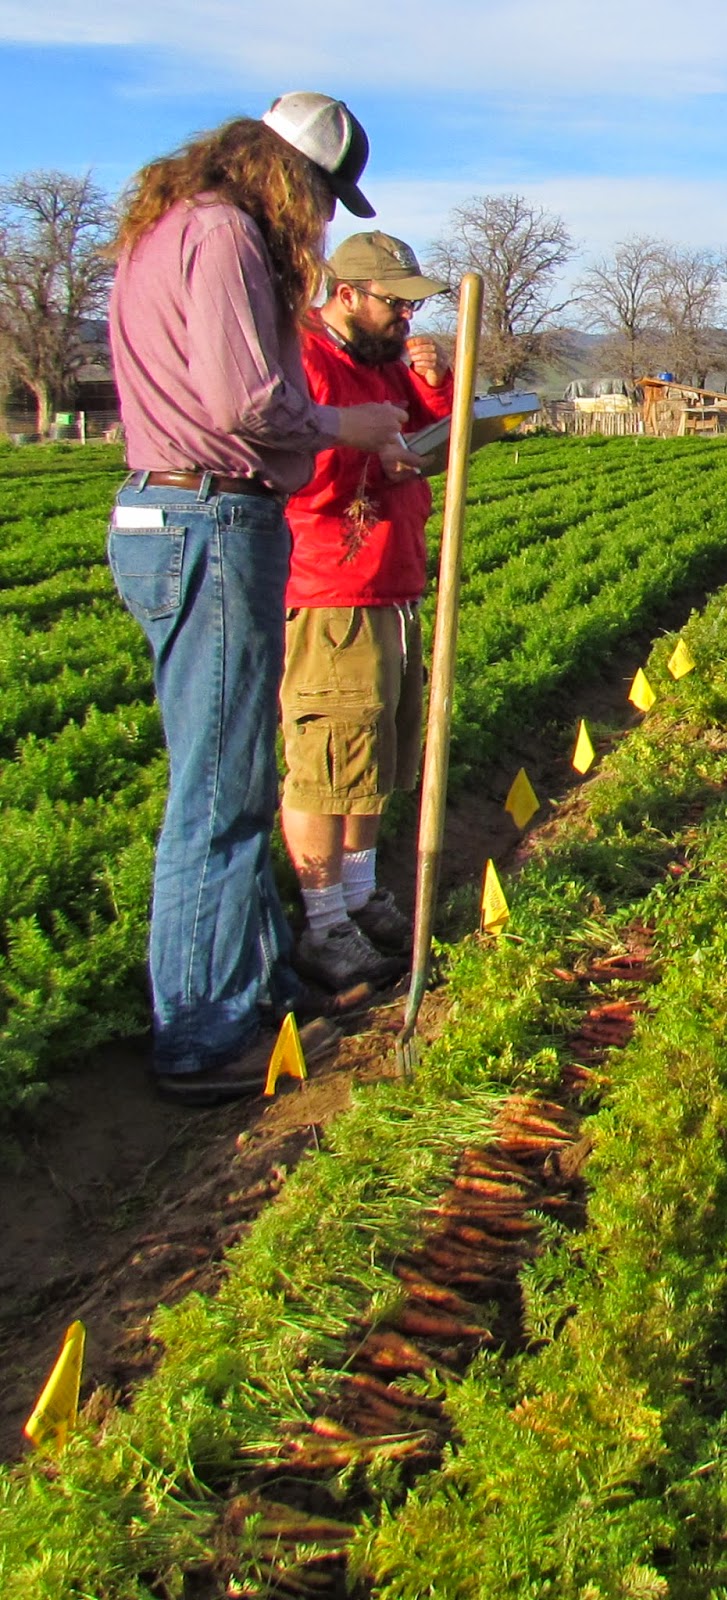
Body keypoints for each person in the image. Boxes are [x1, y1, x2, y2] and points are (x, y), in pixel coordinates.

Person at [107, 92, 421, 1105]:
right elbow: (245, 400)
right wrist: (344, 427)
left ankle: (255, 987)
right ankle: (203, 1034)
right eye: (326, 199)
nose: (322, 222)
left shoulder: (172, 225)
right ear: (292, 177)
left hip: (172, 511)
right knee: (220, 792)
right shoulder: (227, 234)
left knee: (229, 774)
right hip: (209, 513)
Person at [280, 232, 453, 989]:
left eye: (413, 305)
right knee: (329, 760)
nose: (406, 318)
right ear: (346, 294)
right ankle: (324, 926)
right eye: (395, 303)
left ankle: (359, 895)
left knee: (374, 758)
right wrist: (372, 455)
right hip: (333, 590)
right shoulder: (306, 357)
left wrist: (436, 384)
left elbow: (427, 434)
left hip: (389, 583)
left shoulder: (379, 361)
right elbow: (297, 471)